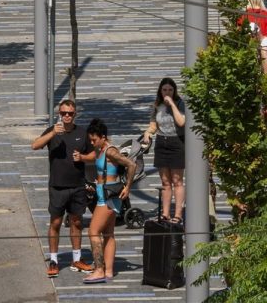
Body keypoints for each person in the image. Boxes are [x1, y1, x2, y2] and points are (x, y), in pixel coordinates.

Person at [31, 98, 94, 275]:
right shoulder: (53, 130)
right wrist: (52, 133)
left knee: (77, 222)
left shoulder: (82, 132)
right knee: (56, 222)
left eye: (70, 113)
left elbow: (94, 155)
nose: (66, 116)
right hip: (57, 186)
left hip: (77, 185)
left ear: (75, 114)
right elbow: (35, 145)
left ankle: (77, 259)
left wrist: (83, 158)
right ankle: (53, 260)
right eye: (63, 113)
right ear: (59, 114)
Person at [73, 118, 134, 283]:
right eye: (90, 140)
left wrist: (128, 187)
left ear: (103, 137)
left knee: (93, 231)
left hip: (108, 196)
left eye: (94, 140)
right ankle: (109, 271)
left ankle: (99, 270)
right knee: (108, 234)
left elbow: (131, 165)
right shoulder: (100, 150)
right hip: (104, 194)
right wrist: (82, 157)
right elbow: (93, 158)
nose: (92, 143)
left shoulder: (110, 151)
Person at [144, 78, 186, 223]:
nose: (167, 92)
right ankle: (165, 213)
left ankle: (178, 214)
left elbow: (181, 122)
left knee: (177, 180)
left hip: (177, 142)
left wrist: (172, 104)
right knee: (165, 181)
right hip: (162, 142)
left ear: (174, 91)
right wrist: (148, 133)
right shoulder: (157, 105)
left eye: (170, 90)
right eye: (164, 90)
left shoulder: (180, 103)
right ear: (160, 91)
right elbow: (153, 125)